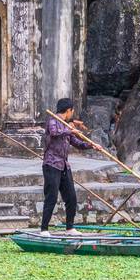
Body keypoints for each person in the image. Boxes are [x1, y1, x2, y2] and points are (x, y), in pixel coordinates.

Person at [40, 98, 92, 235]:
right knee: (51, 196)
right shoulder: (53, 121)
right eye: (72, 111)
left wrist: (91, 145)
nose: (72, 114)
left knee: (71, 197)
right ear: (68, 110)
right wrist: (70, 130)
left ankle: (70, 227)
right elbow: (55, 133)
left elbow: (77, 143)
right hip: (51, 165)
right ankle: (44, 229)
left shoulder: (67, 127)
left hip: (64, 166)